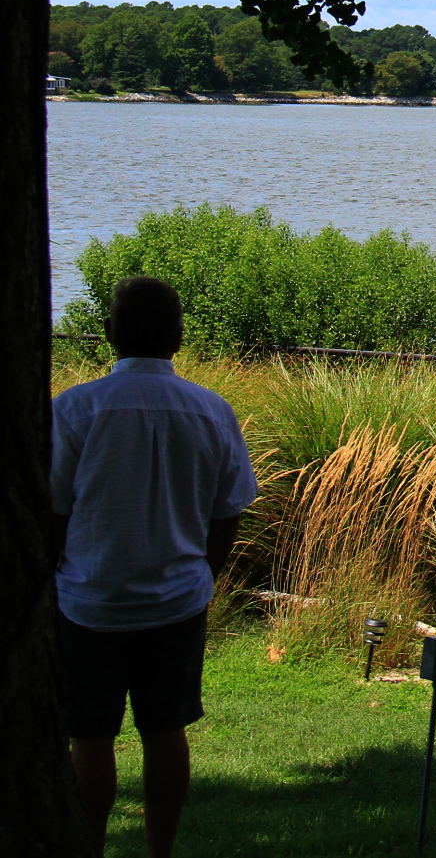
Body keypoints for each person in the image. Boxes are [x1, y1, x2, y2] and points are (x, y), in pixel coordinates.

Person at [51, 276, 258, 858]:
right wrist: (205, 576)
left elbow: (52, 510)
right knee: (165, 731)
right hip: (175, 601)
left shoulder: (73, 409)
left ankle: (88, 848)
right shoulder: (212, 411)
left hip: (87, 601)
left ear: (109, 334)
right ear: (179, 337)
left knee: (88, 738)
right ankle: (158, 852)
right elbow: (227, 513)